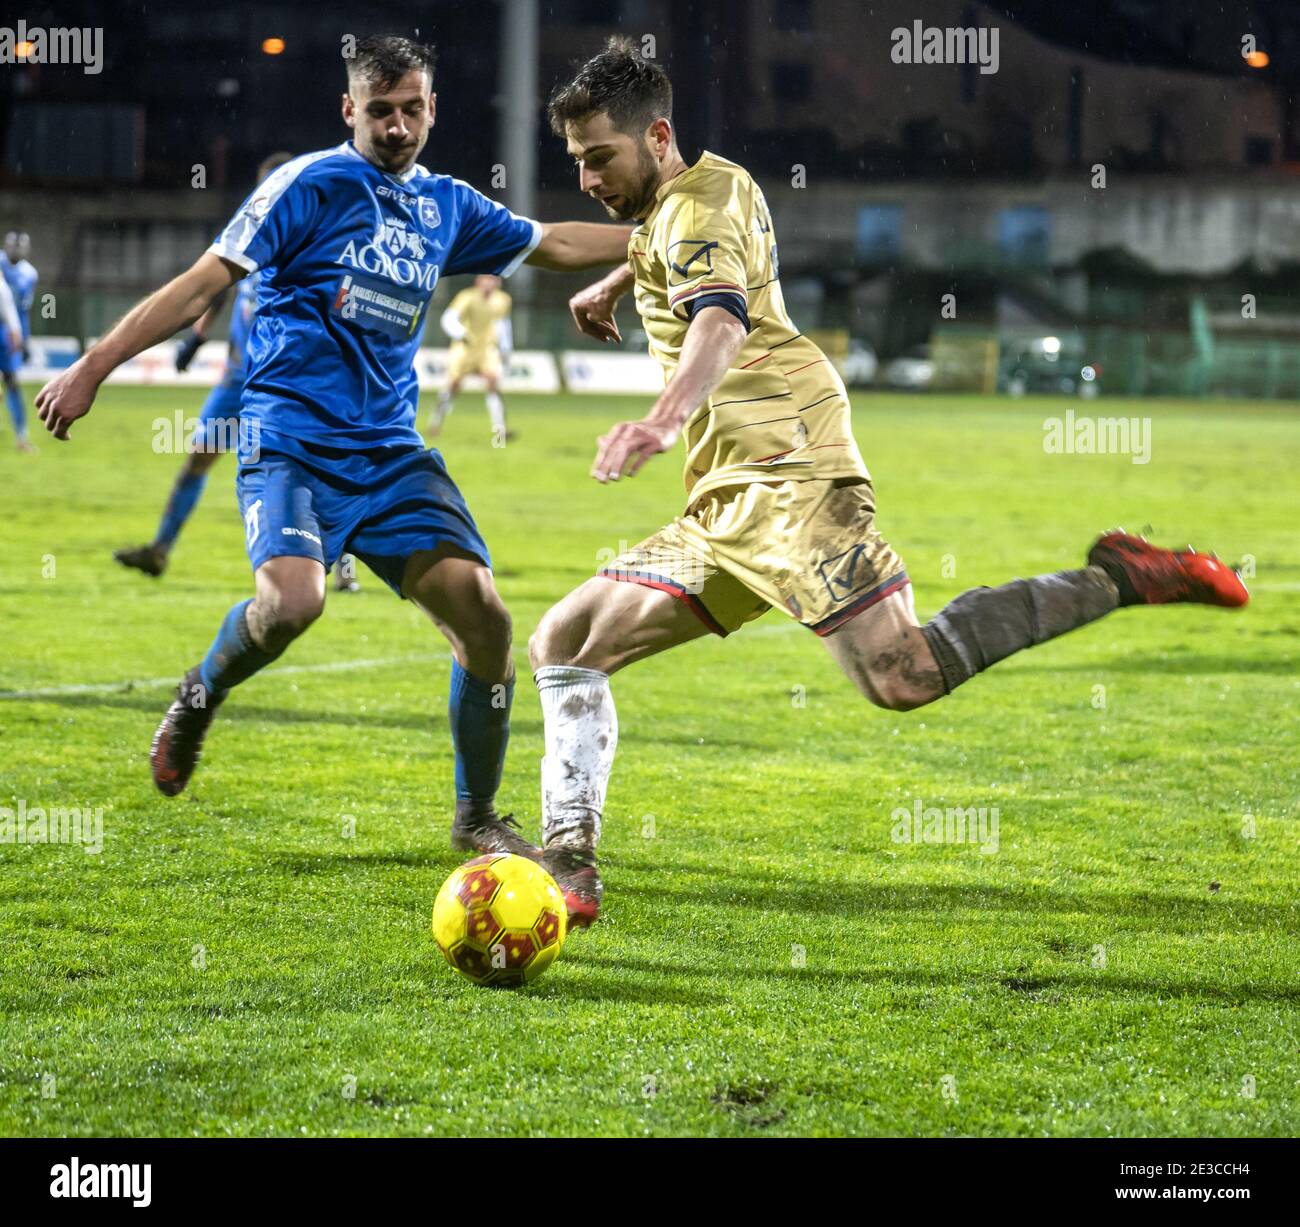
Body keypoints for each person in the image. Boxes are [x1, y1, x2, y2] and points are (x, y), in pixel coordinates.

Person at [525, 38, 1250, 926]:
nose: (589, 177)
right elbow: (676, 252)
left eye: (600, 156)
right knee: (564, 644)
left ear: (659, 134)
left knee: (902, 675)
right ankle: (570, 867)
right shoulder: (695, 194)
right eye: (577, 161)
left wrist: (659, 420)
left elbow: (717, 318)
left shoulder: (698, 210)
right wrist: (612, 284)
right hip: (728, 496)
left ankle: (1126, 575)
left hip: (789, 471)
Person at [35, 35, 631, 859]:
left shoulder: (447, 206)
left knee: (487, 620)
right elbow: (202, 284)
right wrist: (95, 363)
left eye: (411, 109)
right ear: (349, 109)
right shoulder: (305, 186)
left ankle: (476, 815)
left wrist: (659, 238)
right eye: (379, 110)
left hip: (390, 453)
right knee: (294, 605)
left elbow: (554, 242)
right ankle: (200, 694)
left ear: (432, 110)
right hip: (292, 440)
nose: (396, 126)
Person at [114, 153, 294, 579]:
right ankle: (159, 550)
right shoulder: (248, 235)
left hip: (284, 386)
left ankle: (339, 570)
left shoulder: (306, 242)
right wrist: (196, 338)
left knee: (304, 475)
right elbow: (217, 289)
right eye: (261, 187)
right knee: (197, 459)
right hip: (236, 381)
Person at [428, 273, 514, 443]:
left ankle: (500, 431)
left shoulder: (503, 300)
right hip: (465, 347)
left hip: (487, 349)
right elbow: (449, 318)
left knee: (493, 383)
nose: (489, 283)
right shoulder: (467, 296)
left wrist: (506, 349)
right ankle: (435, 423)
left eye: (493, 279)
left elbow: (503, 324)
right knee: (453, 385)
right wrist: (460, 334)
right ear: (478, 281)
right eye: (486, 278)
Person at [1, 231, 37, 453]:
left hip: (10, 334)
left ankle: (21, 435)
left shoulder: (30, 274)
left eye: (20, 246)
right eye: (12, 246)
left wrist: (24, 337)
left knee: (12, 381)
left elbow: (24, 310)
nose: (16, 250)